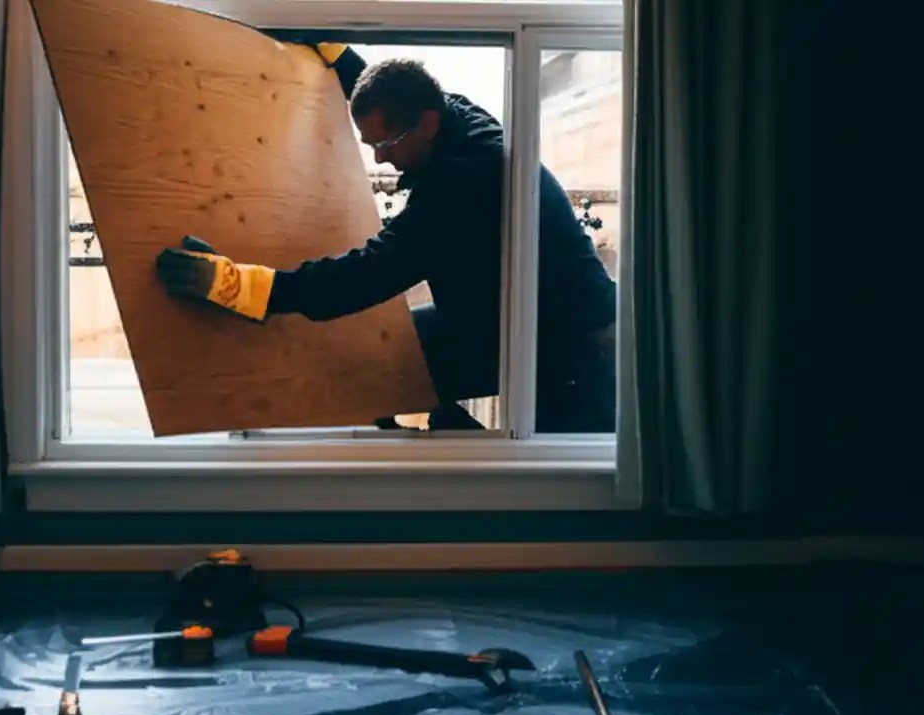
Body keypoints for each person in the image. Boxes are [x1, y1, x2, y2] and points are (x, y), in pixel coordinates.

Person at [156, 44, 616, 432]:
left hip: (572, 351)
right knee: (376, 360)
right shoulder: (447, 114)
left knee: (540, 481)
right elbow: (392, 102)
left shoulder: (465, 182)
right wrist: (338, 54)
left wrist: (239, 286)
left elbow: (366, 274)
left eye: (384, 145)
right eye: (371, 144)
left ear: (427, 124)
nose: (379, 158)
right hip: (499, 316)